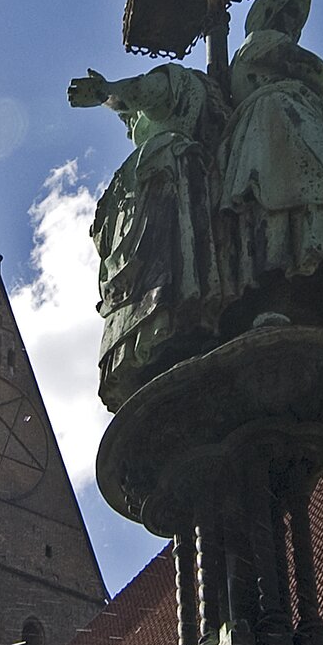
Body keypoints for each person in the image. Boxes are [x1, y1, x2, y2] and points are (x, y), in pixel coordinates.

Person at [218, 0, 323, 336]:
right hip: (279, 129)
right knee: (285, 211)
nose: (294, 22)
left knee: (314, 210)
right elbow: (315, 72)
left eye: (299, 16)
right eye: (288, 11)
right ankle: (284, 299)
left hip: (296, 129)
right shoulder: (259, 43)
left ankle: (316, 301)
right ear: (268, 12)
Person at [67, 62, 226, 409]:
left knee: (157, 271)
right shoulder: (183, 127)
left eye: (131, 123)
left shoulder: (175, 86)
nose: (130, 131)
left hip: (162, 183)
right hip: (164, 183)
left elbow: (143, 90)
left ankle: (156, 331)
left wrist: (106, 91)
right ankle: (154, 329)